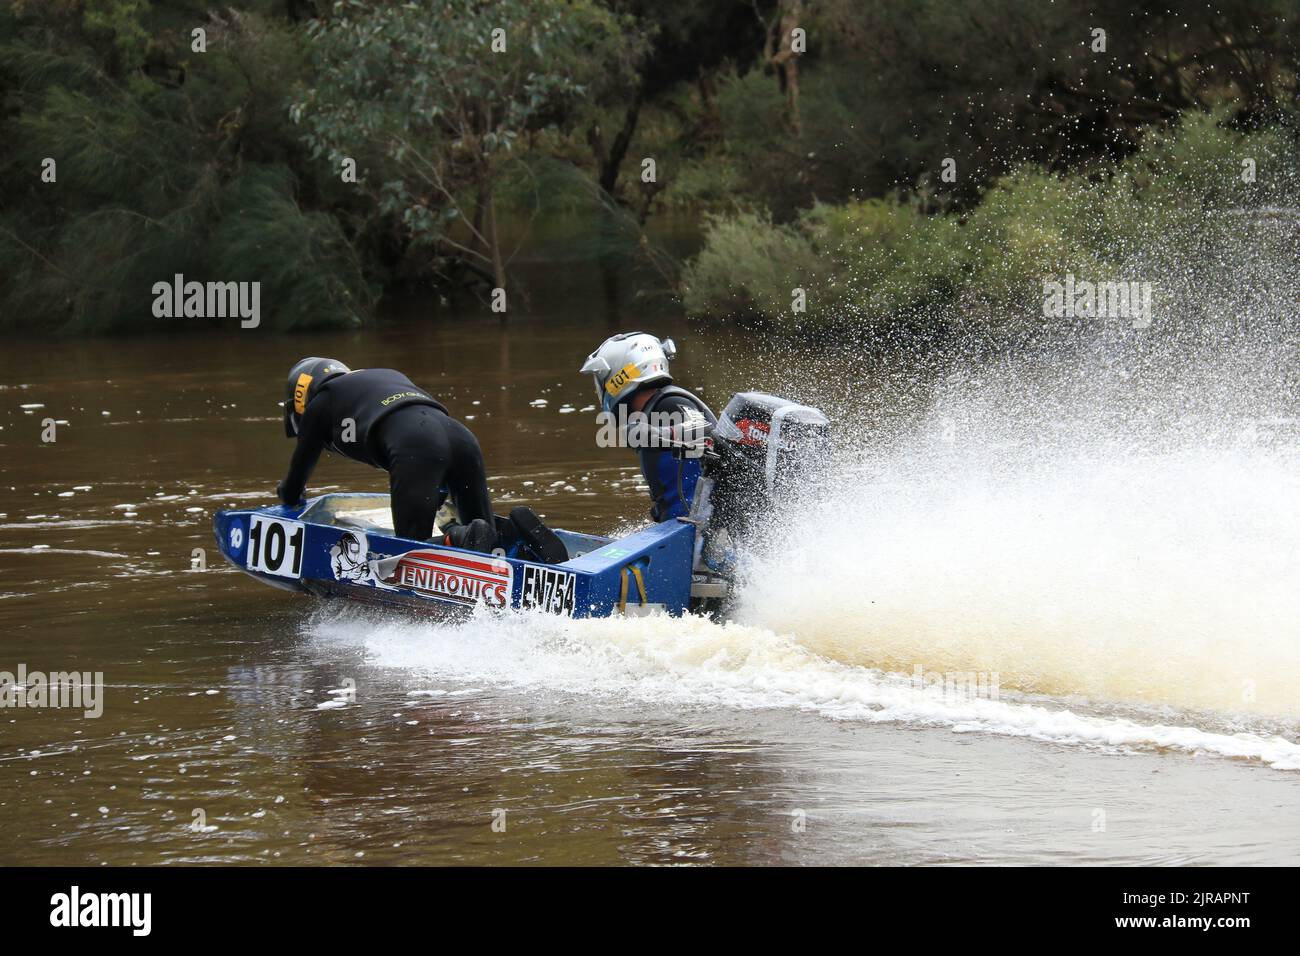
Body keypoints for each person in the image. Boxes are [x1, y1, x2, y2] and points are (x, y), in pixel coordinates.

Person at [278, 357, 565, 562]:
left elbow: (301, 466)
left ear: (302, 396)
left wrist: (289, 494)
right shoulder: (382, 376)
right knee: (485, 536)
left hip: (416, 444)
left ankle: (457, 538)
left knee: (411, 551)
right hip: (461, 438)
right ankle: (520, 538)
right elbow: (427, 436)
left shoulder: (323, 401)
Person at [580, 333, 716, 522]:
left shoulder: (669, 402)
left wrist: (655, 433)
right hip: (682, 529)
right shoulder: (653, 410)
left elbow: (706, 430)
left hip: (698, 531)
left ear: (619, 375)